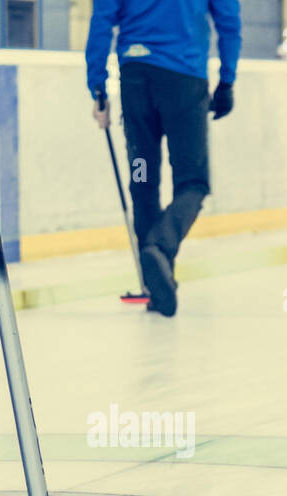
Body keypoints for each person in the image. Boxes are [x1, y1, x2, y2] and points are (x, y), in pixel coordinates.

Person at [86, 0, 242, 318]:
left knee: (142, 178)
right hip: (184, 80)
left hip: (136, 81)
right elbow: (229, 21)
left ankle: (156, 286)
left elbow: (102, 19)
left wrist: (98, 88)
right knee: (193, 182)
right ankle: (160, 246)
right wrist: (227, 80)